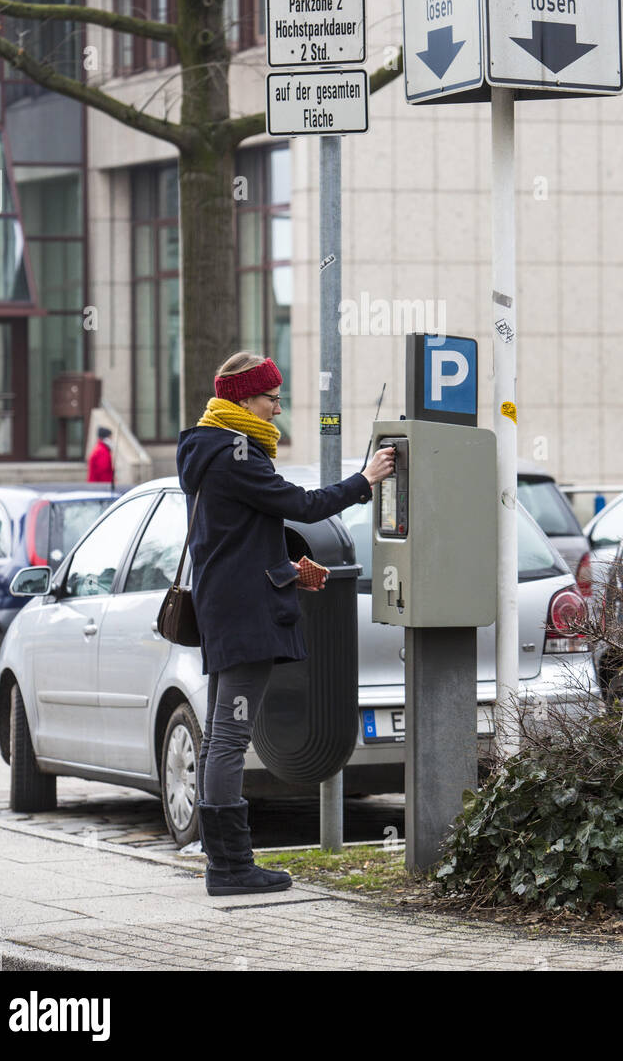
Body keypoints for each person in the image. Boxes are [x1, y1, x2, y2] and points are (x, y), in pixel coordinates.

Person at [175, 351, 395, 896]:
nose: (277, 408)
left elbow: (229, 539)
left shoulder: (206, 447)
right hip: (245, 619)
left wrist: (285, 569)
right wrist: (364, 480)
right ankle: (230, 867)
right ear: (245, 399)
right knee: (229, 736)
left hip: (227, 607)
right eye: (272, 398)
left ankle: (224, 862)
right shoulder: (237, 452)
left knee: (218, 738)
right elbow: (303, 504)